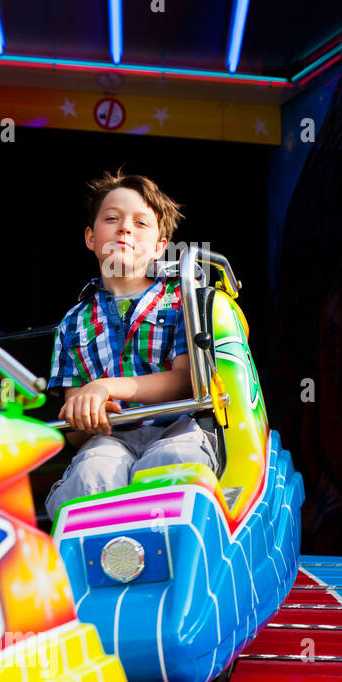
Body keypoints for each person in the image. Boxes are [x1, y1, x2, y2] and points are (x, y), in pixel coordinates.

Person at [44, 169, 218, 522]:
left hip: (176, 429)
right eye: (112, 219)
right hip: (110, 440)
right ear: (91, 237)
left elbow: (185, 380)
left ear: (159, 246)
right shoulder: (72, 324)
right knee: (92, 474)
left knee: (169, 464)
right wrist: (88, 415)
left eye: (141, 223)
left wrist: (106, 386)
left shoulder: (180, 300)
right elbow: (77, 431)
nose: (125, 228)